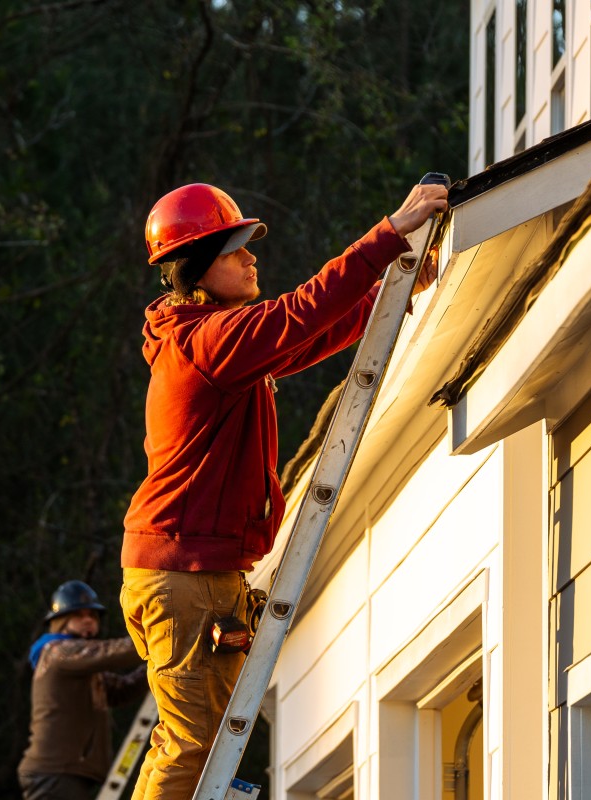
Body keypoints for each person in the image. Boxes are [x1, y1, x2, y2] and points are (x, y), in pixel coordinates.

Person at [119, 180, 448, 800]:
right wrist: (389, 236)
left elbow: (306, 336)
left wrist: (391, 294)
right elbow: (299, 313)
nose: (251, 259)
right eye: (234, 249)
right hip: (185, 576)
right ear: (195, 268)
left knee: (186, 742)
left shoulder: (209, 338)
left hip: (184, 571)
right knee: (195, 746)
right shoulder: (207, 341)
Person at [18, 580, 148, 800]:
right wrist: (159, 638)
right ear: (60, 621)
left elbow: (122, 691)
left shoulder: (83, 667)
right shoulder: (57, 652)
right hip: (55, 773)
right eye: (79, 615)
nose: (88, 620)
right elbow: (109, 652)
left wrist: (155, 667)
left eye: (92, 615)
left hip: (66, 773)